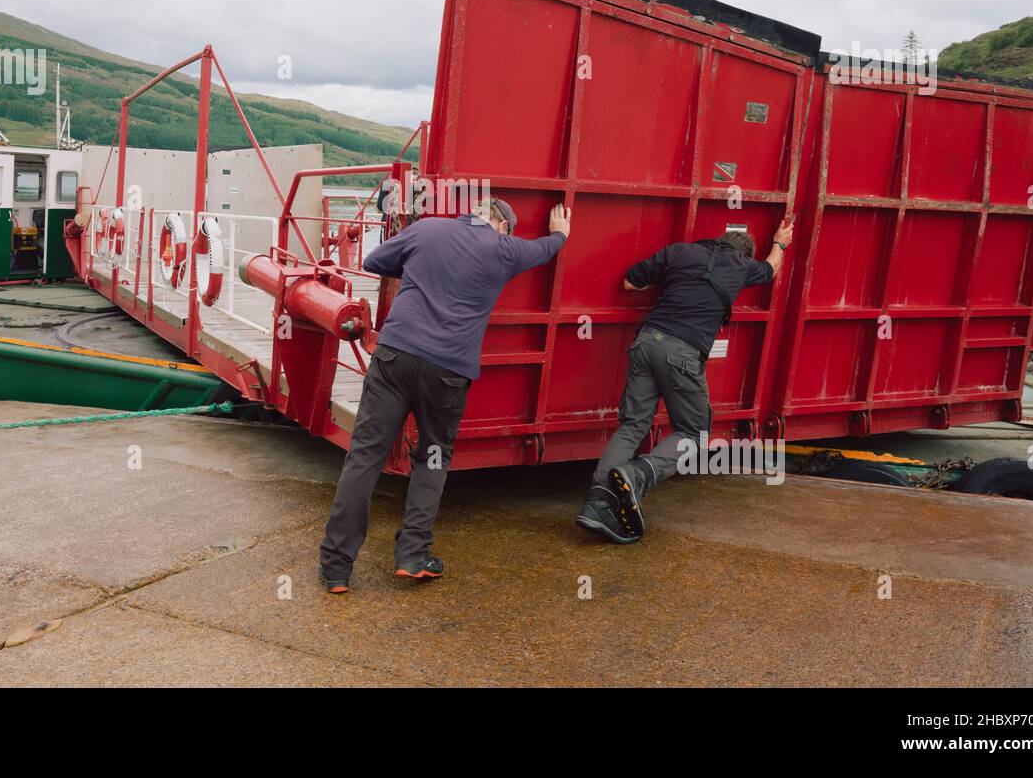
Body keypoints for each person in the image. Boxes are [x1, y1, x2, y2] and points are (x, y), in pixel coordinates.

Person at [319, 197, 571, 592]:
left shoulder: (428, 229)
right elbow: (545, 250)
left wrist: (420, 266)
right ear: (502, 226)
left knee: (365, 458)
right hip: (448, 373)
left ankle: (336, 569)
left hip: (395, 357)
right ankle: (413, 556)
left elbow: (373, 262)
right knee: (432, 459)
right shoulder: (505, 249)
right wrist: (561, 233)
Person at [577, 219, 794, 543]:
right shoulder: (741, 265)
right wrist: (780, 243)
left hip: (646, 342)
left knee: (634, 424)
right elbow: (770, 269)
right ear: (743, 254)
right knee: (695, 431)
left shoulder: (679, 252)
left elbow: (630, 284)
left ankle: (598, 502)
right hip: (682, 353)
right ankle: (637, 475)